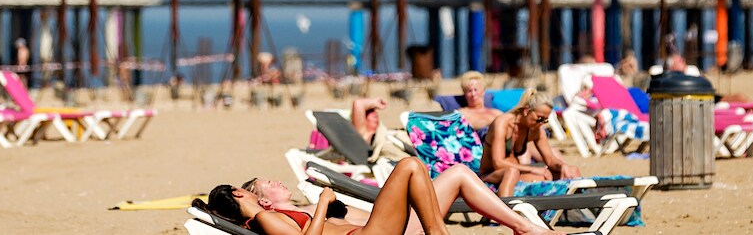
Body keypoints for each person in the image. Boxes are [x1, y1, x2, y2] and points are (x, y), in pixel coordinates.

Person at [194, 158, 557, 235]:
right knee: (410, 166)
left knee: (458, 174)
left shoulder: (280, 215)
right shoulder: (263, 217)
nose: (275, 180)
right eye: (266, 183)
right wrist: (322, 204)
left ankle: (525, 228)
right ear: (244, 194)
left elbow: (355, 217)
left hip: (377, 229)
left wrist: (330, 208)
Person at [479, 90, 581, 198]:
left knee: (572, 171)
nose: (541, 123)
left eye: (545, 121)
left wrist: (563, 166)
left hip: (517, 173)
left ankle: (584, 211)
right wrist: (533, 169)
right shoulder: (503, 123)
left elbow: (550, 160)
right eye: (539, 118)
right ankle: (503, 212)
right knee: (518, 173)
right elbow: (498, 163)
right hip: (491, 175)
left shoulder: (536, 129)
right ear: (526, 111)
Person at [454, 71, 501, 136]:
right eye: (469, 91)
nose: (473, 94)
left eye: (476, 90)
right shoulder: (461, 113)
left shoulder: (496, 112)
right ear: (464, 93)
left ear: (483, 91)